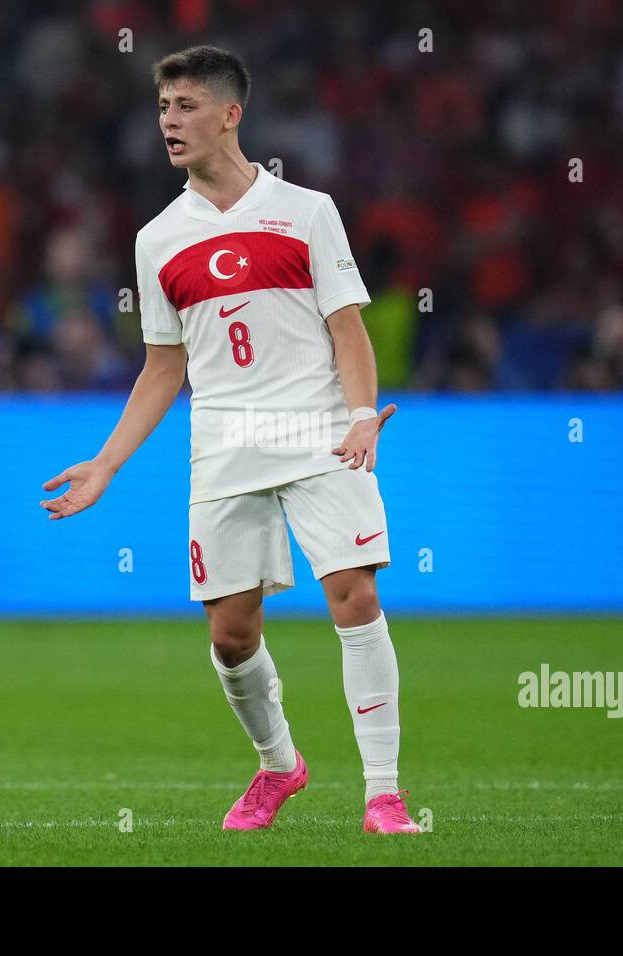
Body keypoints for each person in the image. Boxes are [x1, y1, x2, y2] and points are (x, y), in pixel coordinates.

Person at [39, 46, 421, 834]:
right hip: (223, 442)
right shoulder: (158, 240)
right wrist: (107, 463)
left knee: (355, 594)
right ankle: (279, 766)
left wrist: (358, 415)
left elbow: (347, 327)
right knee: (231, 630)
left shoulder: (306, 210)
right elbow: (161, 368)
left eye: (185, 107)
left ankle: (383, 793)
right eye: (163, 109)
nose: (169, 123)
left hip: (319, 431)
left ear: (230, 114)